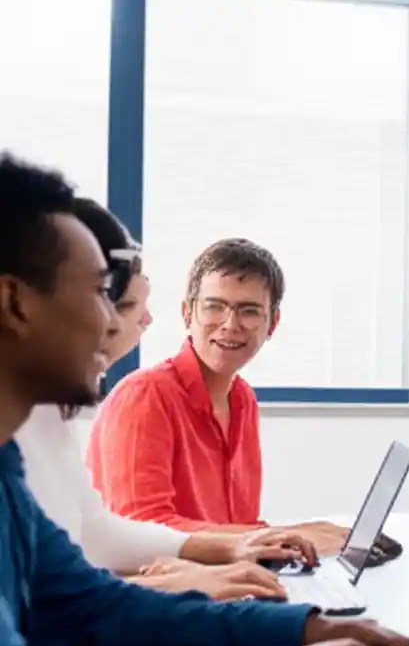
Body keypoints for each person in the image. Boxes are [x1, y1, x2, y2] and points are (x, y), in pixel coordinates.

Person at [0, 152, 409, 646]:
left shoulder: (8, 470)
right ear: (14, 303)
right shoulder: (138, 398)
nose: (116, 323)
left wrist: (301, 631)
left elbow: (93, 606)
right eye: (101, 292)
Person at [15, 197, 315, 601]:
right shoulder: (139, 395)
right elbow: (47, 608)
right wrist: (171, 583)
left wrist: (236, 548)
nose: (135, 323)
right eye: (115, 303)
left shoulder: (50, 417)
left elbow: (92, 533)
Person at [87, 236, 349, 554]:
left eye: (249, 311)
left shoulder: (242, 400)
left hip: (224, 581)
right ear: (187, 313)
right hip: (156, 590)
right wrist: (280, 534)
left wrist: (288, 539)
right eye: (214, 307)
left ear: (272, 323)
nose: (230, 324)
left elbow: (236, 524)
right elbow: (142, 527)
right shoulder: (145, 396)